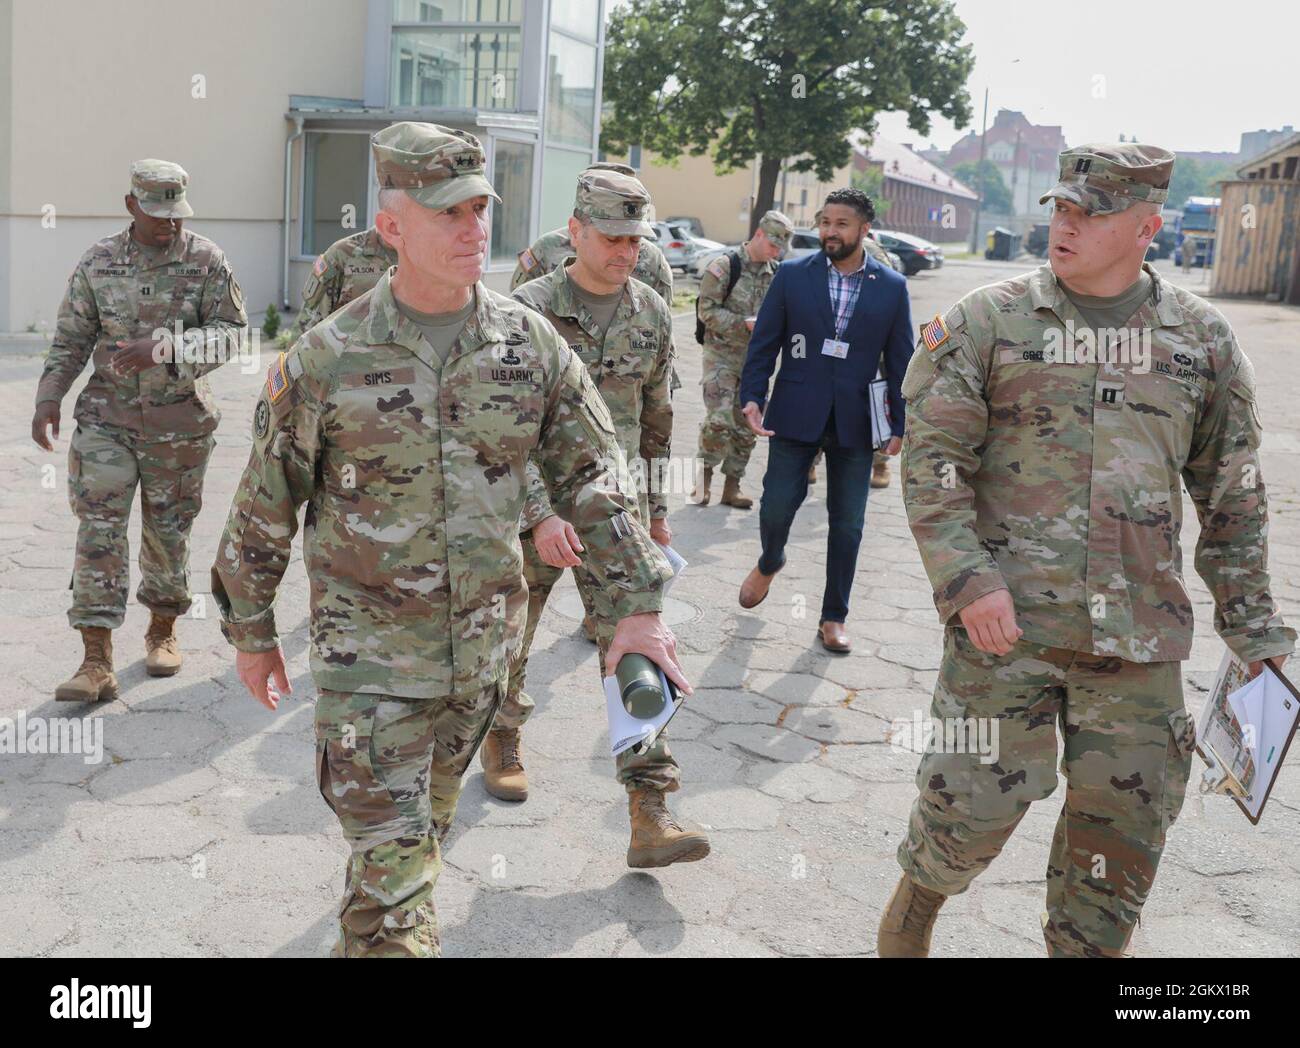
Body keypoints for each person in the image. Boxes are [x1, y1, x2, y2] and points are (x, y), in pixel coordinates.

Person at [211, 122, 687, 957]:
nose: (473, 229)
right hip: (368, 669)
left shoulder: (527, 344)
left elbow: (595, 477)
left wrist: (640, 607)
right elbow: (265, 504)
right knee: (397, 896)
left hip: (480, 661)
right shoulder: (328, 358)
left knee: (413, 847)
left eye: (479, 208)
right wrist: (252, 634)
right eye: (447, 212)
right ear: (392, 226)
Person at [882, 143, 1295, 959]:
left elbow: (1234, 500)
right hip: (1006, 637)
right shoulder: (986, 322)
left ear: (1148, 227)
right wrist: (968, 583)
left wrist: (1258, 638)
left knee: (1117, 862)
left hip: (1139, 649)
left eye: (1090, 212)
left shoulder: (1201, 342)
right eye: (1061, 208)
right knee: (964, 820)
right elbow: (932, 467)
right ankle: (916, 907)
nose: (1065, 224)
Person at [484, 170, 708, 868]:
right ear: (574, 231)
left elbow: (657, 419)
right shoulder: (527, 310)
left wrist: (658, 516)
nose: (625, 251)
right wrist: (541, 515)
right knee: (509, 642)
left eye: (636, 239)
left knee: (639, 652)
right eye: (611, 237)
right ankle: (503, 737)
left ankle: (650, 811)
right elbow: (501, 434)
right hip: (535, 512)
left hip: (616, 514)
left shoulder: (649, 308)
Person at [32, 159, 247, 701]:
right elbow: (71, 337)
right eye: (156, 213)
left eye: (176, 213)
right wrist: (49, 395)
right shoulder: (98, 261)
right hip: (107, 420)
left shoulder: (206, 260)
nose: (168, 223)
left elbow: (232, 335)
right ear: (130, 205)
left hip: (179, 428)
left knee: (168, 533)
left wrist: (168, 348)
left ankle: (162, 630)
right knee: (98, 532)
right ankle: (95, 659)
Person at [737, 189, 913, 653]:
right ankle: (770, 560)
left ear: (864, 230)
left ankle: (833, 615)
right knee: (776, 504)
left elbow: (901, 360)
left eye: (842, 224)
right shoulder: (793, 276)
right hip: (796, 410)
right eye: (825, 222)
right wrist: (753, 395)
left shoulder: (892, 287)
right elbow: (765, 344)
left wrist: (900, 422)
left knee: (848, 523)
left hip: (857, 420)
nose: (830, 232)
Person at [692, 210, 793, 509]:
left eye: (780, 248)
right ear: (759, 234)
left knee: (747, 425)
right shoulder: (724, 267)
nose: (775, 252)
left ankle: (732, 486)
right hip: (720, 357)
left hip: (755, 363)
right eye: (773, 245)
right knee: (719, 420)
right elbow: (706, 312)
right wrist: (743, 323)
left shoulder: (777, 274)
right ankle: (703, 481)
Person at [294, 225, 398, 335]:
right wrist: (286, 353)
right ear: (382, 219)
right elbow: (308, 318)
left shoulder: (417, 252)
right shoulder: (342, 253)